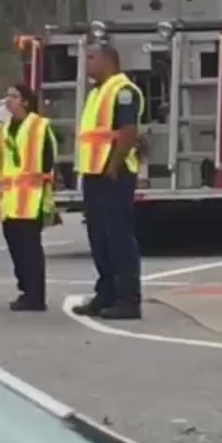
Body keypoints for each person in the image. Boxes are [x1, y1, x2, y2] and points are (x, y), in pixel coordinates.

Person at [73, 40, 144, 321]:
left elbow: (127, 130)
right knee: (99, 239)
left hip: (113, 173)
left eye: (91, 58)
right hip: (93, 173)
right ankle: (106, 294)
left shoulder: (123, 91)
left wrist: (114, 164)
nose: (87, 63)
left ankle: (128, 299)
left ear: (108, 60)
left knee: (118, 238)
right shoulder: (96, 92)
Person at [0, 82, 58, 311]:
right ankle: (25, 290)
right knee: (16, 249)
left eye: (14, 96)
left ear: (26, 102)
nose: (8, 100)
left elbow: (49, 158)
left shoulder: (39, 126)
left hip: (31, 198)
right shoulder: (1, 129)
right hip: (9, 200)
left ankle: (35, 296)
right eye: (7, 95)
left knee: (30, 250)